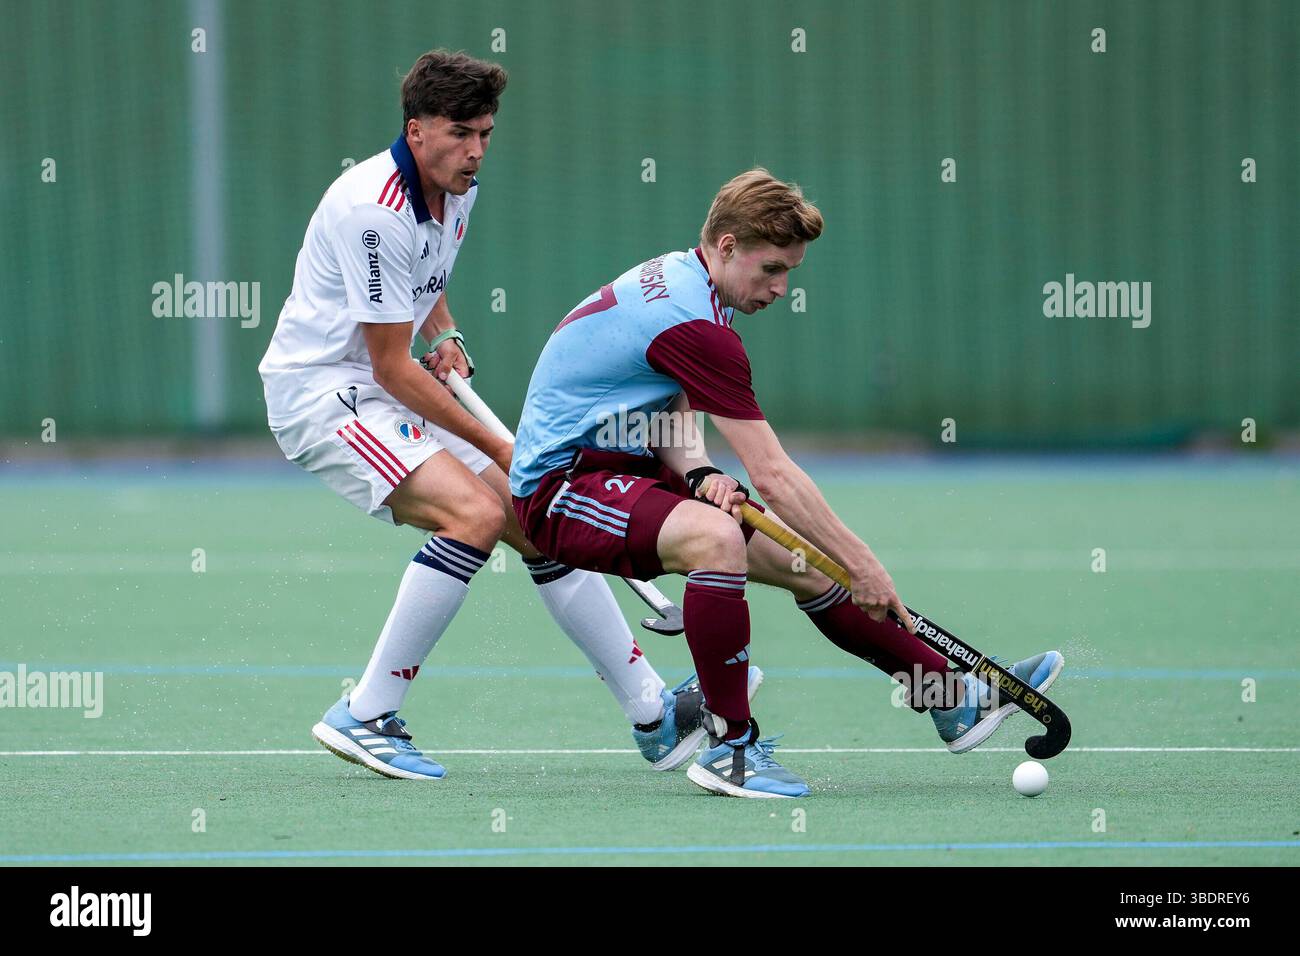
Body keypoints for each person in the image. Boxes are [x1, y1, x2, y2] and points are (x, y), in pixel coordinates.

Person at [258, 49, 751, 781]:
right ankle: (364, 713)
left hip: (382, 387)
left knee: (536, 517)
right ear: (416, 128)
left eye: (486, 132)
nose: (477, 150)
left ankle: (652, 714)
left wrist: (445, 331)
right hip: (325, 393)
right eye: (462, 133)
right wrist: (496, 441)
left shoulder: (456, 187)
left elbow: (420, 288)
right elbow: (390, 363)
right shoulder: (375, 211)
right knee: (476, 515)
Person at [510, 169, 1064, 798]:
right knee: (720, 540)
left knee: (807, 565)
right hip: (561, 491)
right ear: (725, 245)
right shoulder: (698, 325)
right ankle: (730, 750)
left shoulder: (689, 280)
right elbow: (774, 473)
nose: (780, 288)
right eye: (770, 269)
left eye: (790, 272)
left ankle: (949, 697)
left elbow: (665, 403)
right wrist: (863, 563)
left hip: (621, 466)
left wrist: (699, 471)